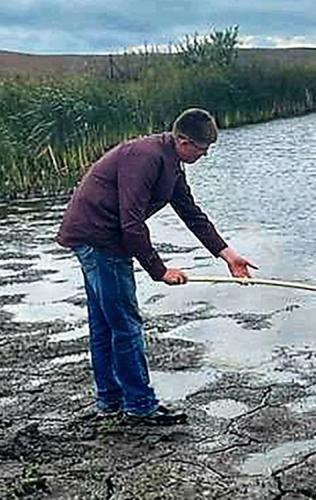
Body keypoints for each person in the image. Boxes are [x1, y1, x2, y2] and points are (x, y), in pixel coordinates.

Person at [56, 108, 257, 426]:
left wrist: (227, 254)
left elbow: (191, 213)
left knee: (107, 324)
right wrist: (159, 270)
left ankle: (111, 401)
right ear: (182, 140)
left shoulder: (171, 163)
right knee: (124, 325)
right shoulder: (145, 157)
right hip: (98, 240)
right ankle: (139, 406)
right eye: (201, 149)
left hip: (100, 238)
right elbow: (131, 223)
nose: (204, 156)